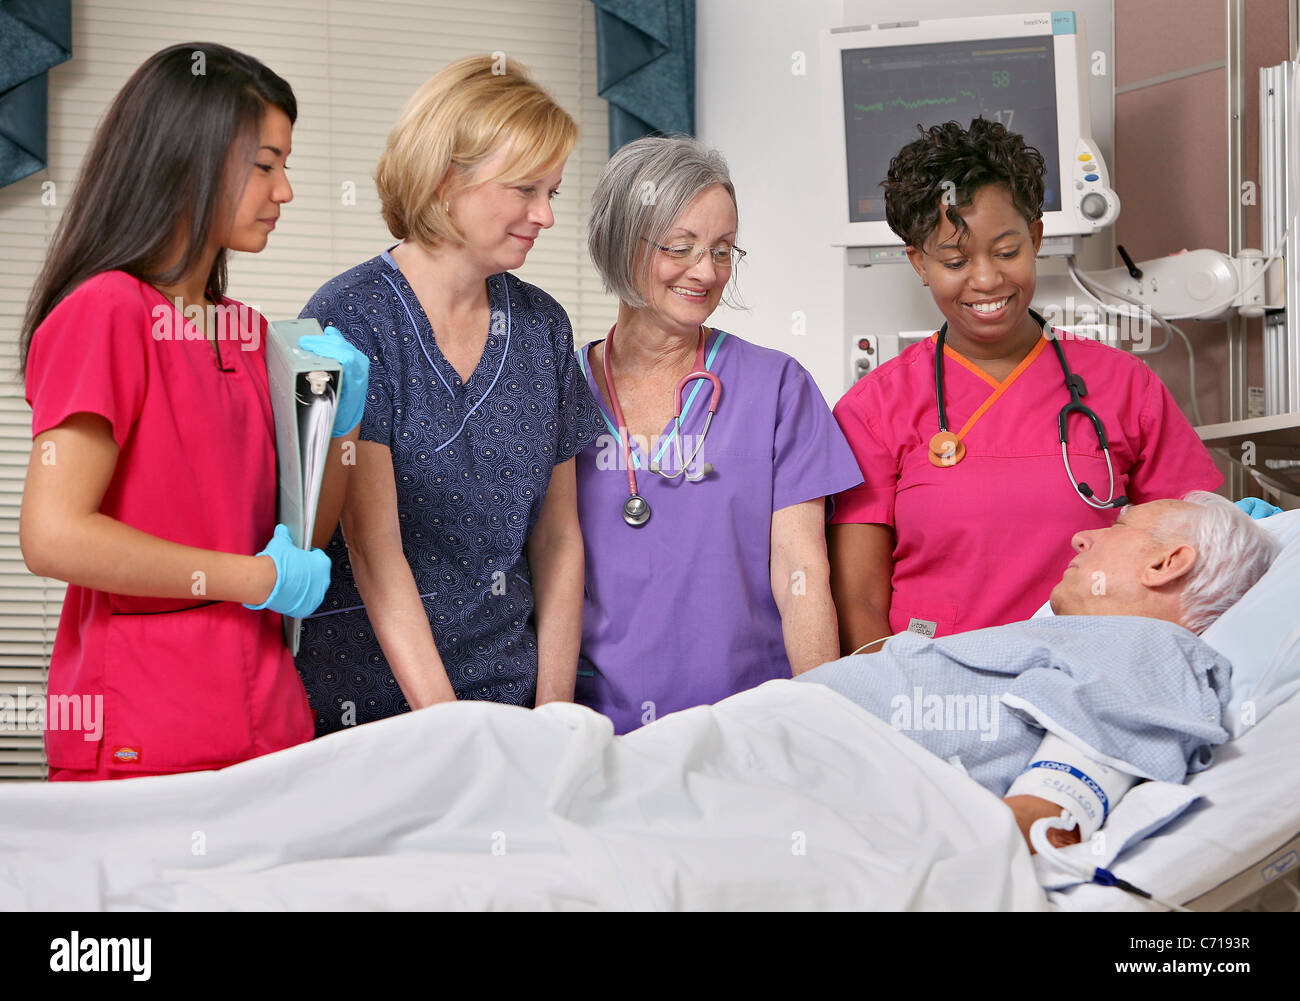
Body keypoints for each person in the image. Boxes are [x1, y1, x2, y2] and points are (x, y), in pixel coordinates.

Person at [19, 43, 368, 781]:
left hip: (267, 724)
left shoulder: (243, 332)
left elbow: (304, 544)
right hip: (143, 730)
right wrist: (249, 579)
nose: (286, 191)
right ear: (189, 158)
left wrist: (338, 426)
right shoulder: (106, 312)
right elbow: (53, 535)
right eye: (266, 164)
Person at [828, 118, 1222, 653]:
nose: (987, 279)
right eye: (954, 260)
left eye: (1007, 251)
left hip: (1092, 679)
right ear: (919, 262)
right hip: (934, 692)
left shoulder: (1125, 387)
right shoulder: (874, 410)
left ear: (1036, 238)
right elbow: (858, 602)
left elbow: (1197, 555)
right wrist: (897, 706)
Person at [295, 55, 602, 735]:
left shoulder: (542, 325)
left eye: (552, 190)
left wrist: (552, 714)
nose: (545, 215)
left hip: (509, 702)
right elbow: (375, 550)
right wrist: (449, 732)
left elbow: (558, 537)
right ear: (443, 180)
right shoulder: (352, 318)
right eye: (526, 189)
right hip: (372, 710)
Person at [800, 491, 1280, 851]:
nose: (1082, 536)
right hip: (784, 744)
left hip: (799, 777)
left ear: (1165, 562)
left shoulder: (1150, 652)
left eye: (1120, 523)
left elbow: (1044, 822)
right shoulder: (1096, 641)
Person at [576, 136, 864, 734]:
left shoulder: (778, 387)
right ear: (619, 243)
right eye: (680, 248)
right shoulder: (559, 392)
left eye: (724, 251)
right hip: (599, 730)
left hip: (751, 727)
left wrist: (825, 729)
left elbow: (799, 570)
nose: (706, 273)